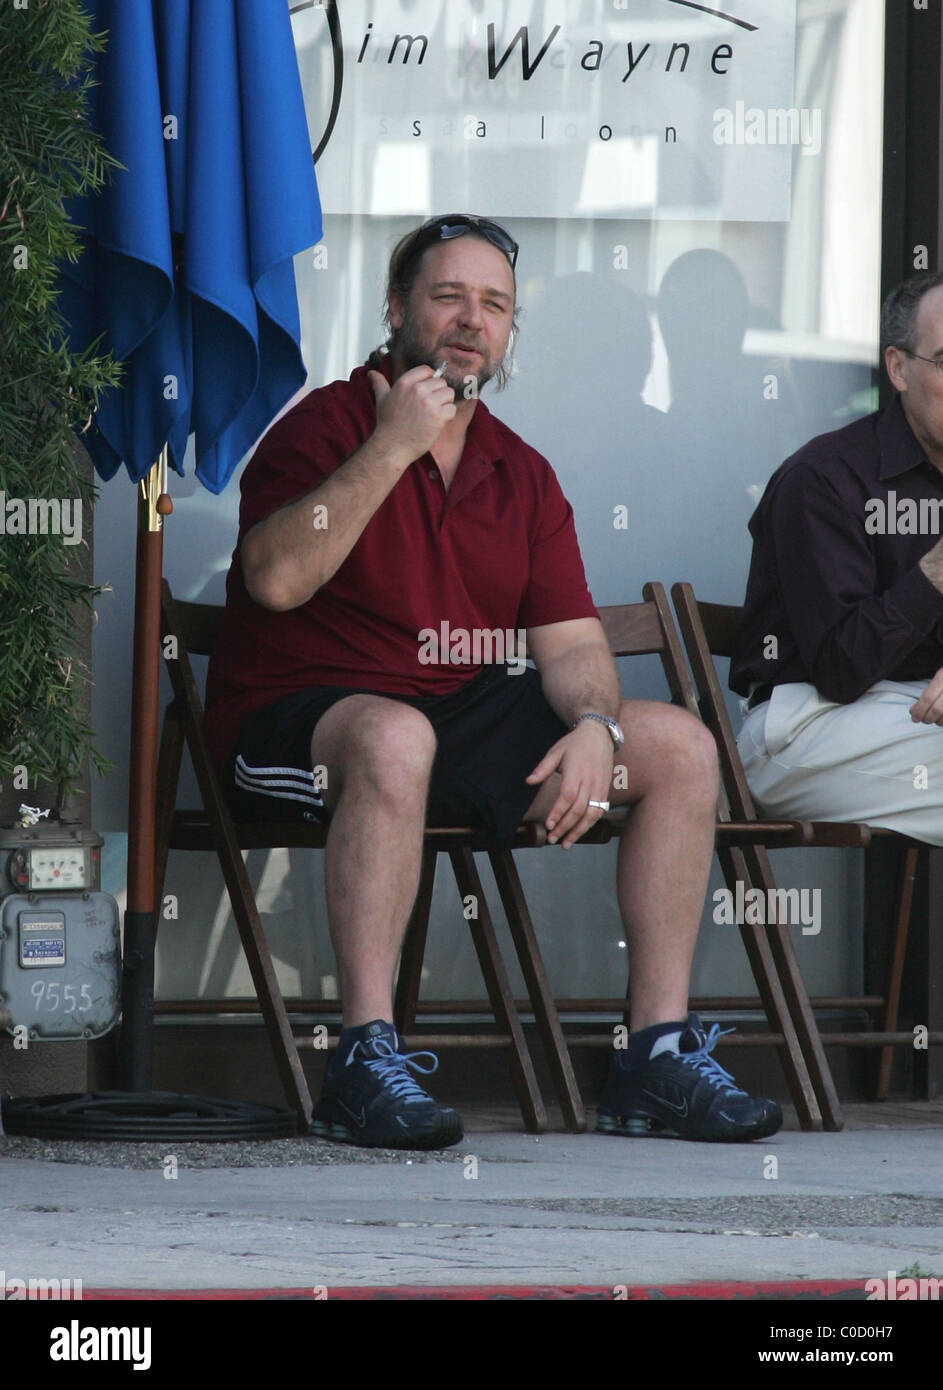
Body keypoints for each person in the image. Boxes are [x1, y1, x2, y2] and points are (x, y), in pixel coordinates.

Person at [205, 213, 782, 1150]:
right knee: (395, 735)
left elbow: (569, 646)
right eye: (447, 297)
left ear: (510, 332)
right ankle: (362, 1058)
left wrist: (597, 727)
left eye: (495, 305)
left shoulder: (521, 470)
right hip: (301, 724)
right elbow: (274, 579)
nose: (472, 320)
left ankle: (653, 1060)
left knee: (676, 746)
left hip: (457, 718)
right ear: (395, 310)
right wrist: (390, 447)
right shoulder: (324, 427)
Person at [731, 271, 943, 843]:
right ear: (899, 369)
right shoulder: (825, 478)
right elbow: (840, 667)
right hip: (809, 723)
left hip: (917, 721)